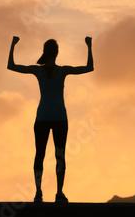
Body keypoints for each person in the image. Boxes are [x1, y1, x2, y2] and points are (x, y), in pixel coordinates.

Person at [8, 36, 93, 203]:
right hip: (59, 117)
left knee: (40, 154)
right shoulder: (63, 70)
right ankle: (58, 193)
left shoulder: (38, 70)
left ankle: (39, 192)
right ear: (57, 52)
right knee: (59, 155)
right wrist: (89, 46)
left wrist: (13, 44)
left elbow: (11, 65)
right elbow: (89, 67)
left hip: (43, 117)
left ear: (45, 52)